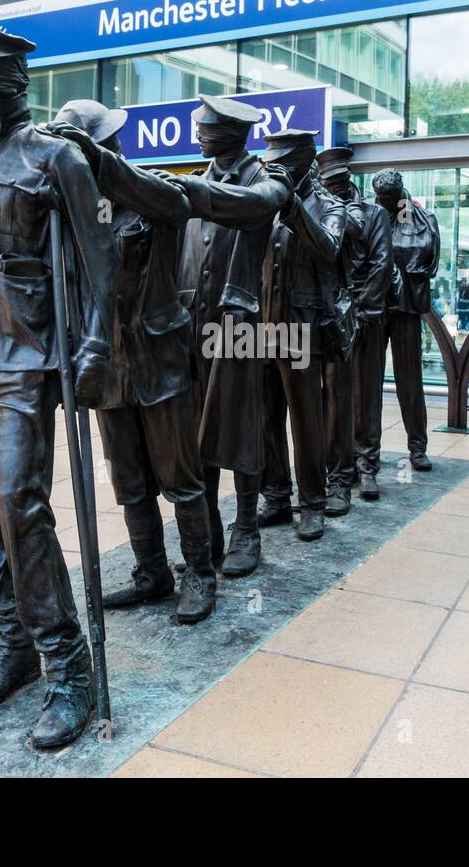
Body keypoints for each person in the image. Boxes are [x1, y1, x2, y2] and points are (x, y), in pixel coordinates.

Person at [0, 25, 119, 751]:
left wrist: (97, 341)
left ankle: (68, 663)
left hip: (22, 354)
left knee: (20, 505)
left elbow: (99, 258)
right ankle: (8, 643)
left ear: (18, 82)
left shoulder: (55, 156)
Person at [47, 99, 218, 625]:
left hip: (159, 356)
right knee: (129, 480)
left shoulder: (152, 190)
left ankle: (200, 572)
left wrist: (98, 163)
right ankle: (152, 572)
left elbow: (171, 205)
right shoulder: (77, 207)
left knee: (180, 475)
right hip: (107, 364)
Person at [170, 95, 293, 578]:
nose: (198, 130)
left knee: (242, 429)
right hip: (193, 323)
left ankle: (247, 531)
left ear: (230, 132)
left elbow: (252, 209)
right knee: (197, 432)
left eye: (206, 125)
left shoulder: (264, 180)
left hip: (239, 325)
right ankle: (210, 535)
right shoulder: (197, 181)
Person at [254, 130, 348, 542]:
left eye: (284, 165)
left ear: (305, 165)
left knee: (306, 419)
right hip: (260, 327)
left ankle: (312, 502)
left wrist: (292, 207)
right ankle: (275, 495)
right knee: (264, 417)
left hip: (302, 326)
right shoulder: (266, 201)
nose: (275, 171)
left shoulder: (329, 205)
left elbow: (327, 249)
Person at [318, 145, 393, 504]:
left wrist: (364, 311)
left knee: (367, 394)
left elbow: (381, 264)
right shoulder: (320, 212)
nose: (336, 186)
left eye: (341, 180)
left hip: (366, 315)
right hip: (333, 318)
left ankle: (367, 465)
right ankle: (340, 468)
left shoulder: (374, 214)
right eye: (329, 182)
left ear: (349, 179)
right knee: (335, 395)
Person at [372, 169, 440, 472]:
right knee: (366, 382)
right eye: (380, 199)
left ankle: (417, 446)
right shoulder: (370, 214)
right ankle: (364, 450)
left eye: (389, 199)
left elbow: (432, 264)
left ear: (401, 193)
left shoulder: (425, 220)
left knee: (410, 380)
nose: (384, 203)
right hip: (372, 307)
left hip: (406, 307)